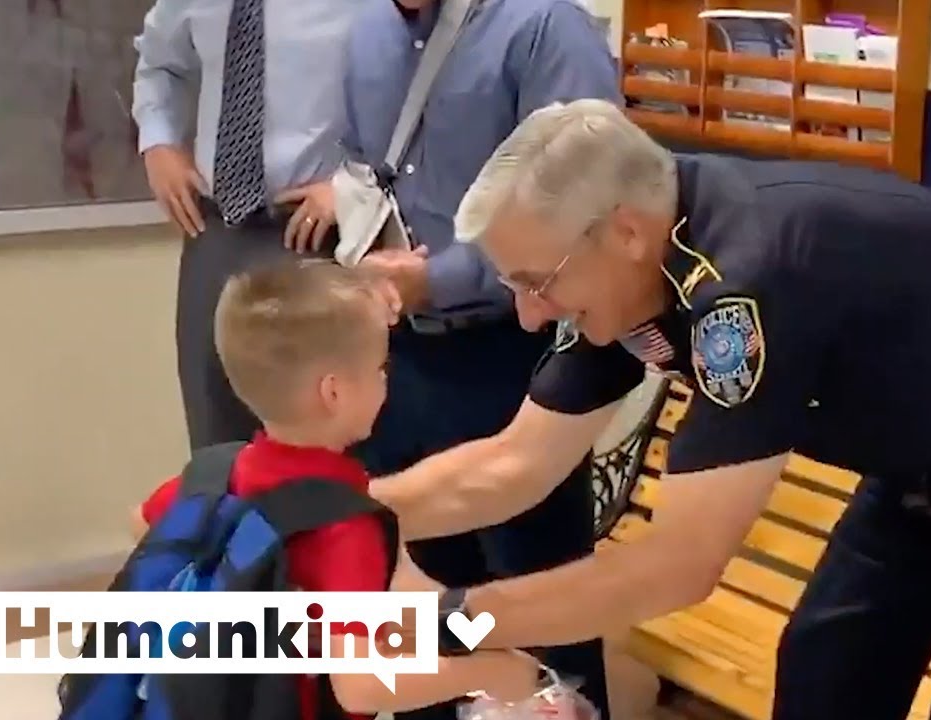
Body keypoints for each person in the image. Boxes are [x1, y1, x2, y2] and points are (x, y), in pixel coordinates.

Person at [366, 99, 931, 720]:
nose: (527, 314)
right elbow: (516, 464)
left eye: (537, 283)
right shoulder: (623, 268)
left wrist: (448, 619)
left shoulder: (750, 280)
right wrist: (340, 505)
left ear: (623, 230)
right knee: (826, 671)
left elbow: (675, 568)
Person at [313, 2, 621, 718]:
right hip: (397, 355)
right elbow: (359, 167)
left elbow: (584, 200)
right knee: (417, 596)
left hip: (514, 343)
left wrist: (442, 276)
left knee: (542, 592)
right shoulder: (364, 33)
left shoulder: (543, 27)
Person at [131, 258, 541, 719]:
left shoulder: (213, 474)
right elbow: (361, 687)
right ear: (334, 393)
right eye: (380, 367)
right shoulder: (344, 526)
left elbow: (141, 523)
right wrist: (487, 674)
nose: (387, 379)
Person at [132, 0, 364, 450]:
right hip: (216, 229)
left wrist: (353, 186)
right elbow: (160, 64)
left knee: (324, 439)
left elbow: (417, 89)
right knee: (217, 434)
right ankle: (234, 523)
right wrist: (159, 141)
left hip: (319, 236)